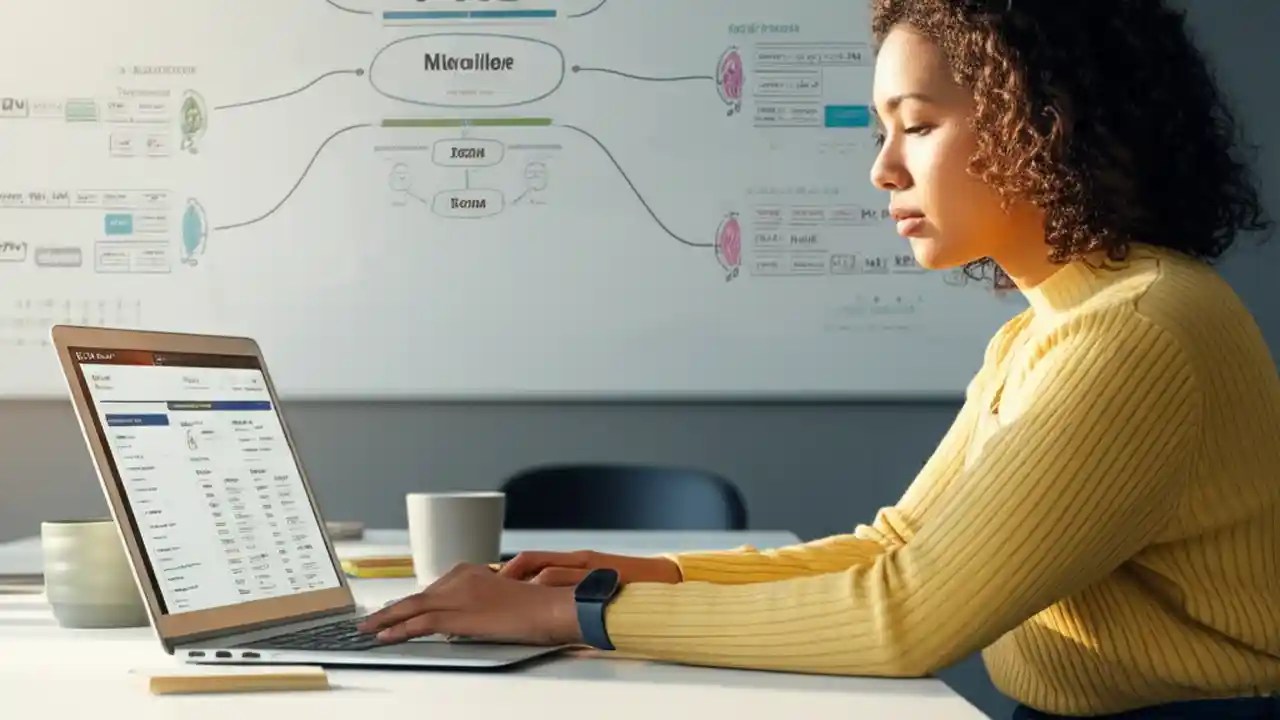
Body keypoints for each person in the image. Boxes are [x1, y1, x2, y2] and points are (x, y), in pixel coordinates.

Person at [360, 0, 1280, 717]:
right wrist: (639, 576)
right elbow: (897, 548)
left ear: (1045, 120)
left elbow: (907, 615)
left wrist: (574, 615)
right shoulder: (1052, 328)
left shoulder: (1139, 333)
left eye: (916, 125)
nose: (883, 168)